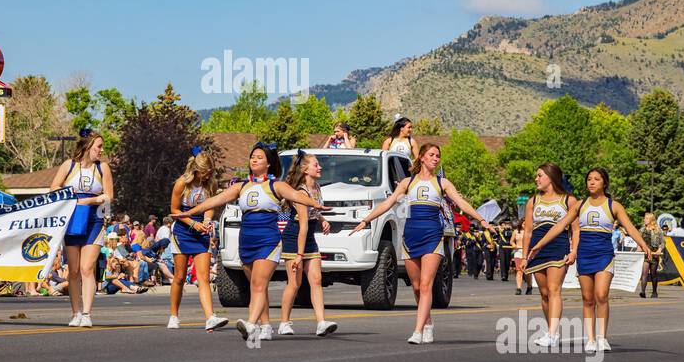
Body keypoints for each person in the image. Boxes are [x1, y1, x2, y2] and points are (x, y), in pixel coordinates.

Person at [172, 142, 323, 343]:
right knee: (256, 286)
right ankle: (266, 326)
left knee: (259, 285)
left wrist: (317, 205)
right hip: (246, 241)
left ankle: (251, 324)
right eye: (253, 157)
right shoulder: (241, 186)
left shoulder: (275, 185)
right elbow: (214, 201)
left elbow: (296, 196)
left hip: (268, 240)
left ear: (269, 163)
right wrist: (190, 212)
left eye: (260, 157)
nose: (254, 160)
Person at [351, 144, 492, 344]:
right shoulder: (408, 183)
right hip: (410, 236)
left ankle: (417, 331)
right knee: (417, 287)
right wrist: (366, 220)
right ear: (422, 158)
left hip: (433, 235)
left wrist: (482, 220)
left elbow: (462, 204)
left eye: (438, 156)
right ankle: (428, 323)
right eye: (432, 155)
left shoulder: (442, 183)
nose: (436, 158)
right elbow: (388, 203)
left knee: (426, 285)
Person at [525, 168, 652, 352]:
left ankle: (602, 337)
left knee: (601, 295)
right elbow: (560, 226)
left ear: (604, 183)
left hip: (604, 254)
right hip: (585, 254)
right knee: (587, 298)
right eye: (589, 179)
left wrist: (644, 245)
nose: (592, 182)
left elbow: (630, 227)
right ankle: (591, 339)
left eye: (596, 179)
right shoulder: (580, 205)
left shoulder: (613, 205)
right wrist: (538, 245)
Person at [50, 128, 114, 328]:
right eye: (99, 146)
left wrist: (98, 206)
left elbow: (108, 197)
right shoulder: (69, 166)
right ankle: (75, 312)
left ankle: (87, 313)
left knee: (87, 268)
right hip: (72, 219)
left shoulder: (102, 168)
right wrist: (77, 198)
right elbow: (53, 188)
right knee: (74, 270)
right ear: (88, 146)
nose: (101, 150)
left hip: (94, 220)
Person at [277, 150, 339, 337]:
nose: (319, 167)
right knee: (295, 283)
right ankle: (284, 322)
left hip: (309, 236)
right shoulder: (300, 192)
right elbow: (302, 226)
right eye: (315, 165)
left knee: (316, 280)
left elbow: (314, 211)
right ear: (305, 169)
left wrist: (321, 220)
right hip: (295, 237)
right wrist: (299, 256)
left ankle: (321, 322)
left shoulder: (317, 187)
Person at [165, 147, 227, 331]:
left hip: (201, 231)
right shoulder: (181, 184)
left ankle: (210, 317)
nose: (208, 176)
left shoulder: (211, 184)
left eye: (210, 173)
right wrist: (192, 223)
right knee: (180, 276)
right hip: (183, 230)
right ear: (196, 170)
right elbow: (174, 210)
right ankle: (174, 315)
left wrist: (207, 220)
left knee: (204, 278)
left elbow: (211, 205)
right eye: (205, 173)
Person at [519, 164, 578, 348]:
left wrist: (574, 250)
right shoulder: (533, 201)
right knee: (544, 293)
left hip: (558, 246)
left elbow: (576, 229)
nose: (536, 179)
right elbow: (528, 230)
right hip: (537, 249)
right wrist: (524, 255)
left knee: (554, 289)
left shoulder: (568, 200)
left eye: (539, 175)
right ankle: (552, 330)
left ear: (551, 177)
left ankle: (552, 333)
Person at [638, 213, 664, 298]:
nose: (644, 220)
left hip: (654, 254)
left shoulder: (658, 230)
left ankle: (654, 292)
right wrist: (638, 248)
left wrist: (659, 249)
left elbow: (662, 242)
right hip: (645, 254)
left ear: (651, 220)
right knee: (644, 273)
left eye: (646, 218)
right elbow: (639, 240)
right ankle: (642, 292)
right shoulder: (642, 230)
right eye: (644, 218)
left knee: (653, 274)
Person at [511, 220, 526, 295]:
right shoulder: (516, 231)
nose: (525, 224)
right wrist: (513, 245)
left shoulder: (530, 232)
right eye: (524, 223)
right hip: (518, 252)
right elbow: (511, 241)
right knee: (519, 270)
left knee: (527, 272)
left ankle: (529, 286)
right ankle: (518, 288)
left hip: (527, 253)